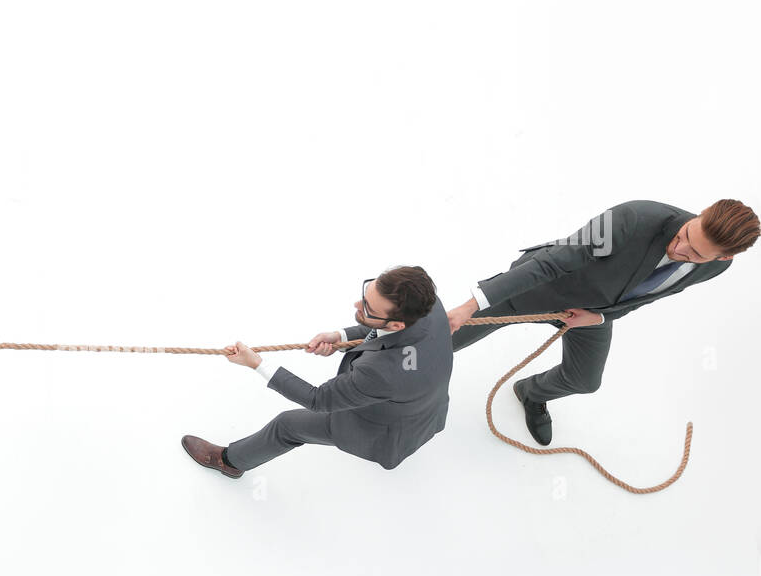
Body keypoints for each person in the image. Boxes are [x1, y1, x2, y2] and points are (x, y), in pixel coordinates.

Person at [447, 199, 758, 444]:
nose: (679, 250)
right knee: (447, 340)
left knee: (585, 381)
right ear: (701, 213)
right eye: (686, 235)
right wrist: (471, 305)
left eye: (695, 255)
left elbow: (648, 294)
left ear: (722, 258)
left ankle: (531, 393)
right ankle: (399, 361)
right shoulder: (633, 217)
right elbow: (553, 262)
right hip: (541, 287)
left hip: (591, 313)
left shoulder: (715, 269)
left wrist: (598, 317)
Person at [182, 266, 452, 476]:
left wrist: (257, 363)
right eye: (365, 293)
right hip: (427, 409)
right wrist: (341, 337)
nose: (357, 305)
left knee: (287, 425)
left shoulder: (381, 373)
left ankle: (229, 461)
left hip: (384, 430)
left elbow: (318, 400)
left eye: (367, 308)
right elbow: (386, 334)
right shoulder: (428, 305)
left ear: (396, 324)